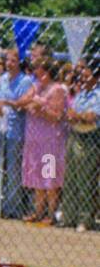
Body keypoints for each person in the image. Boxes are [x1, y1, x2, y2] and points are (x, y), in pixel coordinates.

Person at [21, 58, 69, 225]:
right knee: (37, 177)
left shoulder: (57, 89)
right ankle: (38, 212)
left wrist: (40, 110)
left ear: (47, 73)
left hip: (50, 140)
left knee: (49, 178)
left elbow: (57, 116)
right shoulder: (37, 88)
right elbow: (22, 102)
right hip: (35, 139)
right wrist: (31, 104)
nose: (36, 73)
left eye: (39, 70)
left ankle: (51, 213)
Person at [0, 48, 34, 218]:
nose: (8, 63)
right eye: (7, 60)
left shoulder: (25, 81)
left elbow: (23, 104)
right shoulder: (3, 80)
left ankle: (12, 208)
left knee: (13, 171)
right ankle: (0, 203)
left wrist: (8, 102)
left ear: (19, 62)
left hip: (15, 130)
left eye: (12, 60)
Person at [60, 61, 100, 231]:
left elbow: (91, 117)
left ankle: (85, 218)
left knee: (86, 179)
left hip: (90, 137)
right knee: (70, 178)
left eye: (87, 76)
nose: (82, 79)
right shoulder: (81, 94)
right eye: (82, 76)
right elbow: (70, 114)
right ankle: (69, 216)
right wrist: (78, 116)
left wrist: (79, 116)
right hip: (75, 134)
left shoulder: (98, 95)